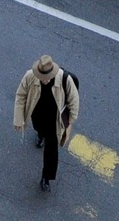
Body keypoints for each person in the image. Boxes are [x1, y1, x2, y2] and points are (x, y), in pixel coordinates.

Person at [13, 55, 78, 192]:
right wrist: (19, 119)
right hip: (37, 114)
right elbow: (21, 96)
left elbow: (74, 100)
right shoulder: (30, 76)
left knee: (52, 149)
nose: (46, 80)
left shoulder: (64, 79)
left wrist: (70, 122)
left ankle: (46, 177)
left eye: (49, 76)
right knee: (38, 128)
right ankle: (40, 135)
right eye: (43, 77)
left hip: (55, 120)